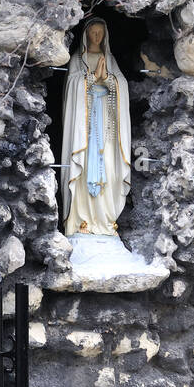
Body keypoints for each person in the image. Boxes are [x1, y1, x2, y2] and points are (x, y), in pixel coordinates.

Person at [60, 18, 132, 237]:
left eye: (101, 32)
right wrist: (90, 79)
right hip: (85, 126)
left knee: (108, 165)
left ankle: (104, 218)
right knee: (85, 164)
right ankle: (81, 219)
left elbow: (123, 86)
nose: (97, 37)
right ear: (86, 35)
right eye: (93, 32)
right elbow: (71, 87)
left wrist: (108, 79)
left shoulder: (110, 59)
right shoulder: (76, 60)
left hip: (107, 126)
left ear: (105, 35)